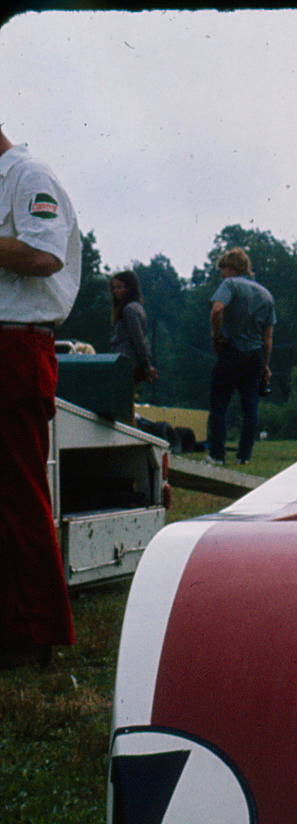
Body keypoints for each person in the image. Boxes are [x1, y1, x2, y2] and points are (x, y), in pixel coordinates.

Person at [0, 122, 80, 668]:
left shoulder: (29, 176)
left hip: (16, 347)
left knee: (18, 493)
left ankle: (34, 634)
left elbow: (43, 255)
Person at [206, 247, 274, 464]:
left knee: (219, 404)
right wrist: (265, 364)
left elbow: (217, 310)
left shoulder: (230, 285)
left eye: (223, 269)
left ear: (232, 268)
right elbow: (268, 338)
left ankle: (217, 455)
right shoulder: (266, 294)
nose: (221, 274)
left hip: (231, 350)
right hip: (254, 355)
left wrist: (216, 337)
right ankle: (244, 456)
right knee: (250, 407)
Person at [109, 269, 156, 390]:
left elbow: (138, 339)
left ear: (129, 288)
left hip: (126, 361)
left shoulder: (129, 309)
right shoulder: (137, 307)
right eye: (114, 288)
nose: (115, 291)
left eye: (119, 287)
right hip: (129, 362)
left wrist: (146, 365)